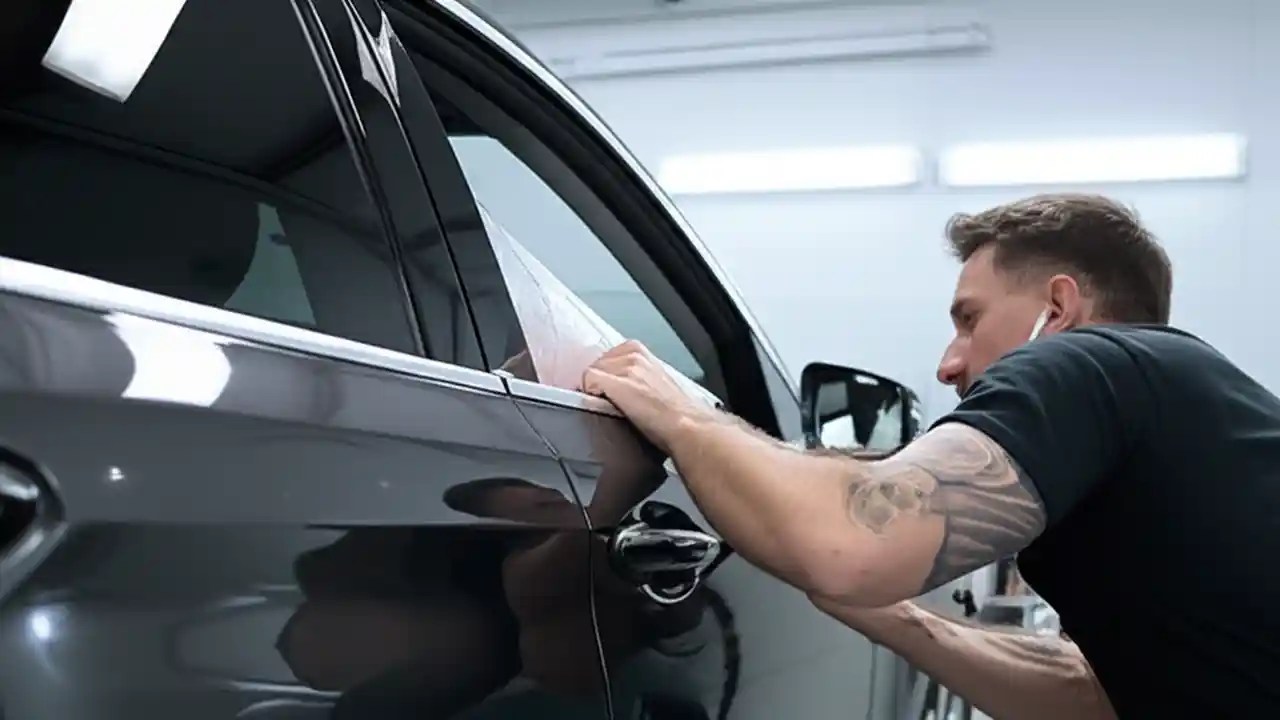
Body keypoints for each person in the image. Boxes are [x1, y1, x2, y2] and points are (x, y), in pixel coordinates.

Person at [582, 193, 1280, 719]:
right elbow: (1094, 700)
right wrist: (904, 623)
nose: (948, 365)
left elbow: (848, 540)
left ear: (1058, 309)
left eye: (969, 319)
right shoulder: (1174, 412)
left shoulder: (1089, 363)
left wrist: (680, 413)